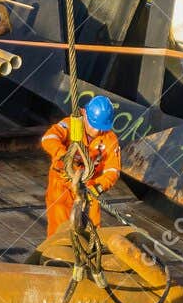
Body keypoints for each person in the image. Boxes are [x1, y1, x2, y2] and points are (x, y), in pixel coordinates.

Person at [39, 94, 121, 238]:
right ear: (86, 116)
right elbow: (48, 138)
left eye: (101, 128)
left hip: (89, 189)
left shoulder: (109, 139)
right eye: (94, 126)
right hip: (62, 185)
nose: (97, 131)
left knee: (92, 232)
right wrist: (64, 156)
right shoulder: (71, 125)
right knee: (59, 232)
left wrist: (98, 187)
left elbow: (113, 170)